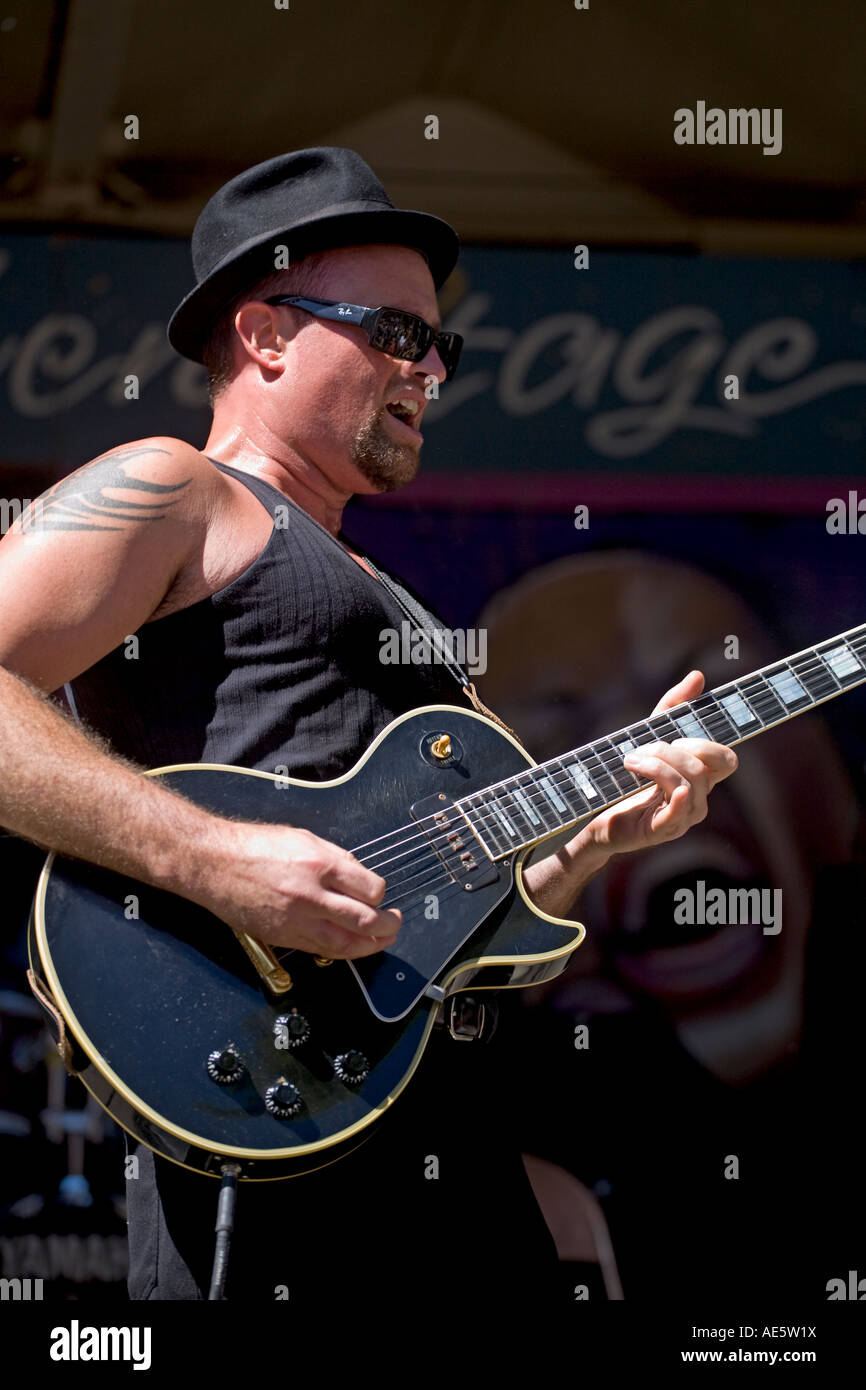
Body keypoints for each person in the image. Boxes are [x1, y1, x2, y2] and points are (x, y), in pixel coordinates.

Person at [0, 147, 737, 1306]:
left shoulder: (378, 587)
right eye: (394, 332)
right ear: (266, 336)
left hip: (427, 1126)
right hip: (258, 1109)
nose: (428, 368)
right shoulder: (179, 490)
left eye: (440, 345)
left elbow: (453, 907)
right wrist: (211, 858)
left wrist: (600, 835)